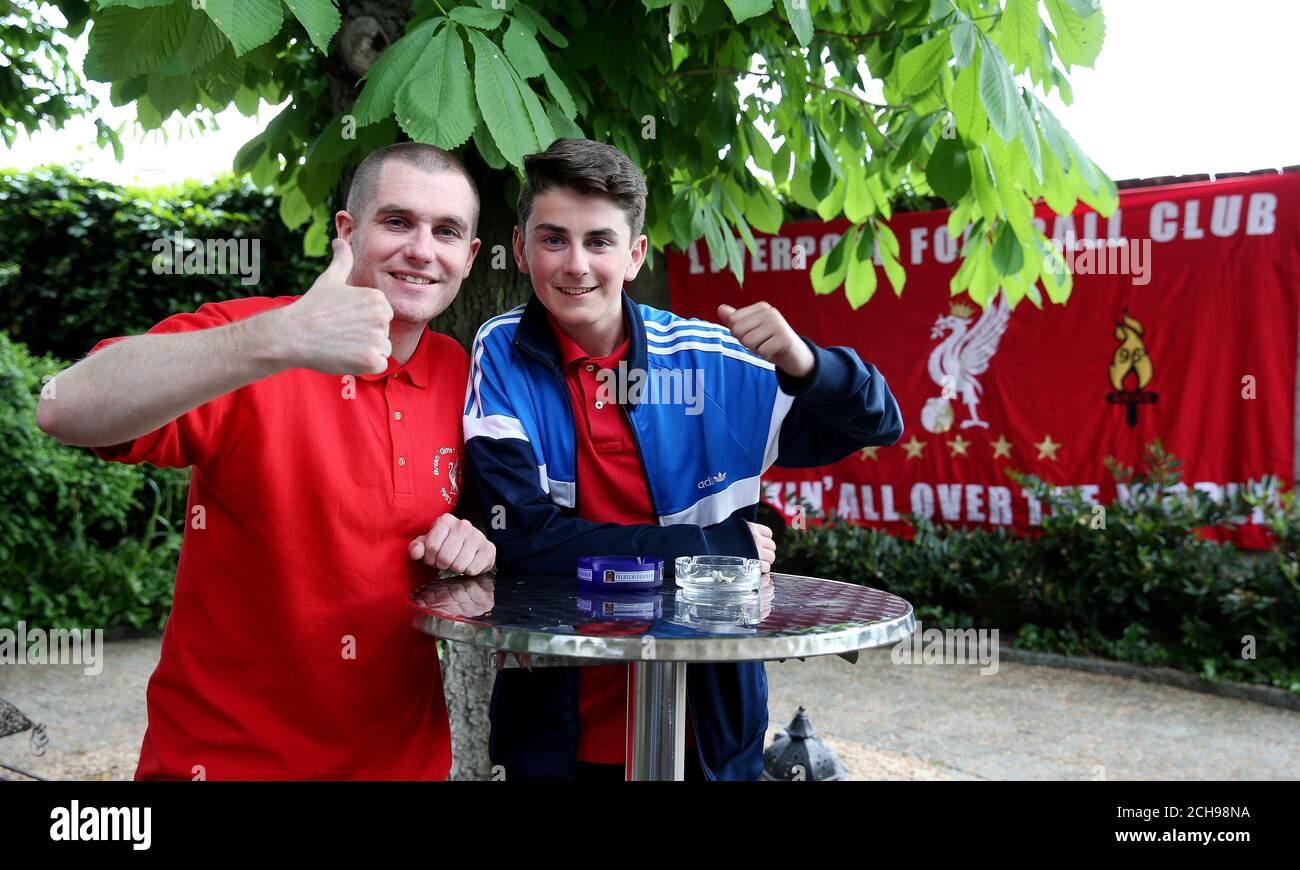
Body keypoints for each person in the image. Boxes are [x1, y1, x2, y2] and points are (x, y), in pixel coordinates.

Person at [35, 143, 495, 780]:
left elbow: (500, 532)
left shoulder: (469, 377)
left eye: (446, 231)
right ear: (347, 232)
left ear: (470, 256)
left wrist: (479, 544)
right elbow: (62, 407)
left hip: (402, 766)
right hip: (226, 763)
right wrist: (274, 340)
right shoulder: (257, 338)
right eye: (396, 222)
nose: (422, 249)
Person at [463, 138, 904, 781]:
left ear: (636, 254)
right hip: (556, 720)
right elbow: (523, 539)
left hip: (710, 722)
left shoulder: (707, 361)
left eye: (600, 241)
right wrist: (712, 549)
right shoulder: (501, 351)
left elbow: (877, 420)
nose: (576, 264)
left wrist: (807, 363)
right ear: (522, 246)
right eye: (553, 239)